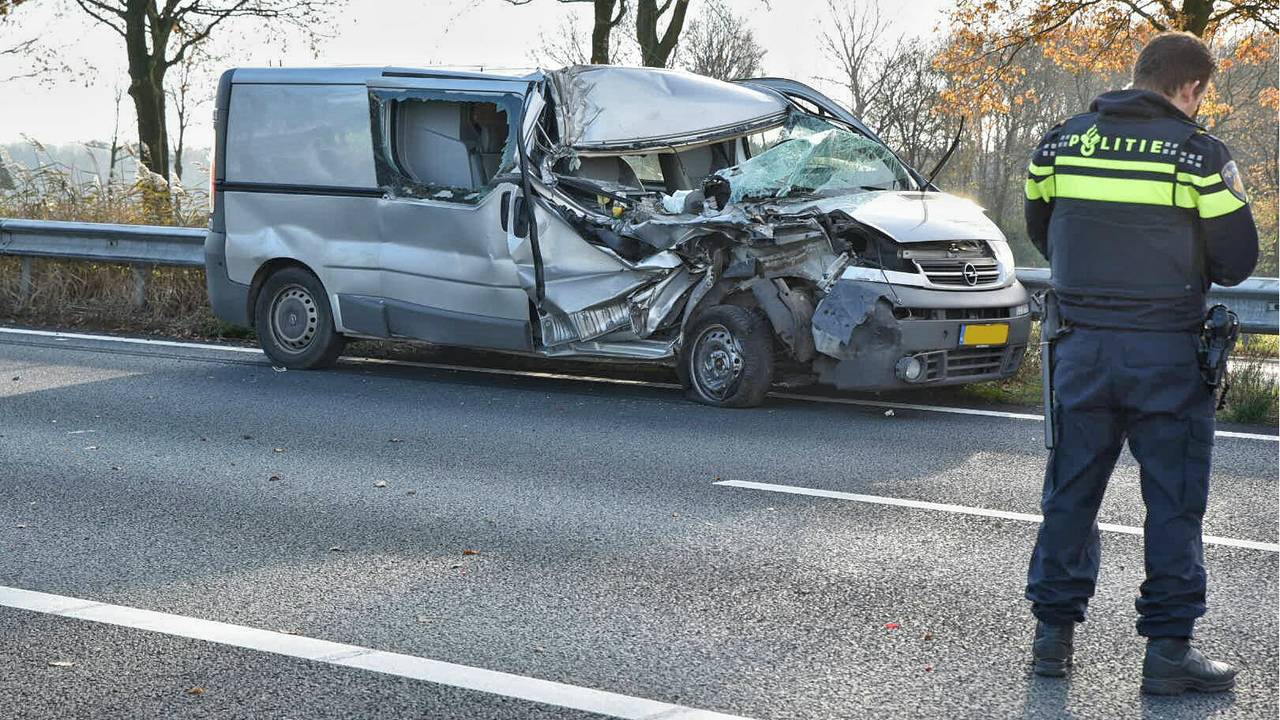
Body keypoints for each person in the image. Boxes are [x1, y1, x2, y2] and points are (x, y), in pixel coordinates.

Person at [1021, 31, 1259, 694]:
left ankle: (1051, 642)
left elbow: (1044, 232)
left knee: (1070, 494)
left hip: (1083, 349)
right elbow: (1238, 263)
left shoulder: (1061, 141)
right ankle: (1167, 656)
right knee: (1173, 505)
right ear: (1191, 87)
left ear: (1139, 73)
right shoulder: (1198, 155)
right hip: (1166, 356)